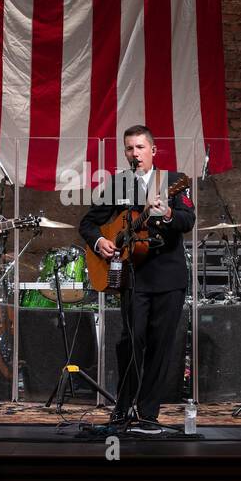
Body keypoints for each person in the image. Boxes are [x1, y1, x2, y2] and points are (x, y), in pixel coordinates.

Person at [80, 125, 195, 431]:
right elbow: (88, 223)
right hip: (133, 277)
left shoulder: (173, 181)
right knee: (129, 341)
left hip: (168, 277)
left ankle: (148, 413)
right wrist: (99, 242)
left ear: (153, 150)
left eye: (140, 147)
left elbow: (187, 220)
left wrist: (168, 213)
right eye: (129, 148)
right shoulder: (118, 185)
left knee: (160, 346)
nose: (135, 153)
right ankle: (122, 406)